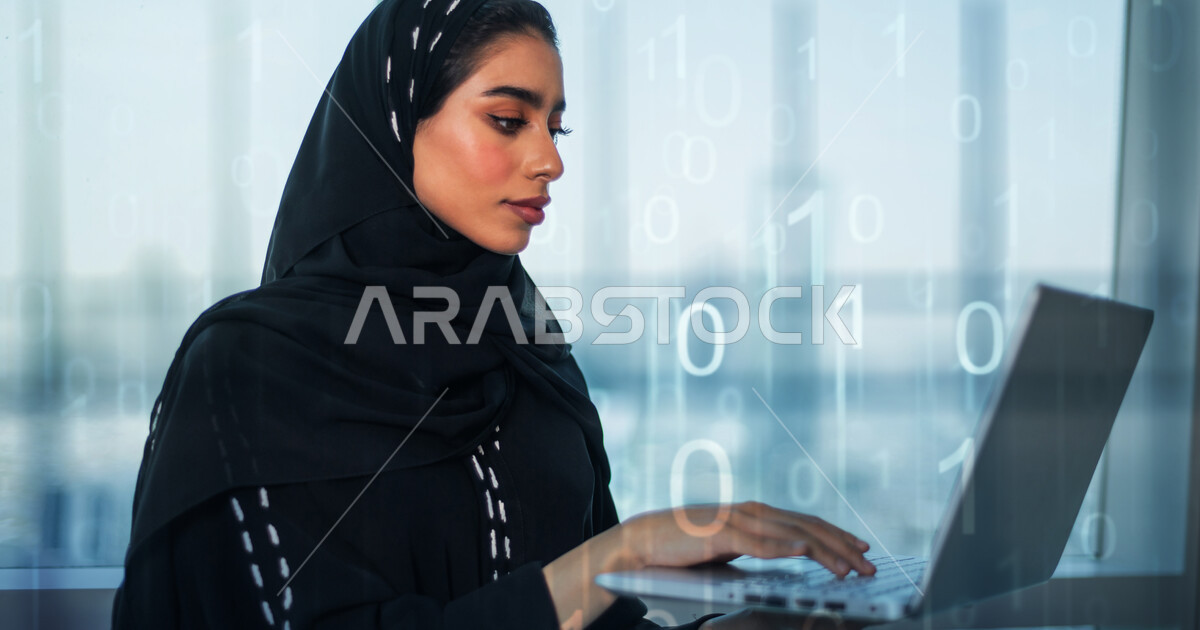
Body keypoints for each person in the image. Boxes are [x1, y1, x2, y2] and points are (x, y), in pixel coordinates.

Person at [110, 0, 876, 628]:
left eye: (556, 125)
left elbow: (589, 620)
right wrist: (623, 552)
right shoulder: (249, 365)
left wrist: (750, 622)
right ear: (395, 126)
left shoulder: (527, 351)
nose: (551, 160)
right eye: (509, 120)